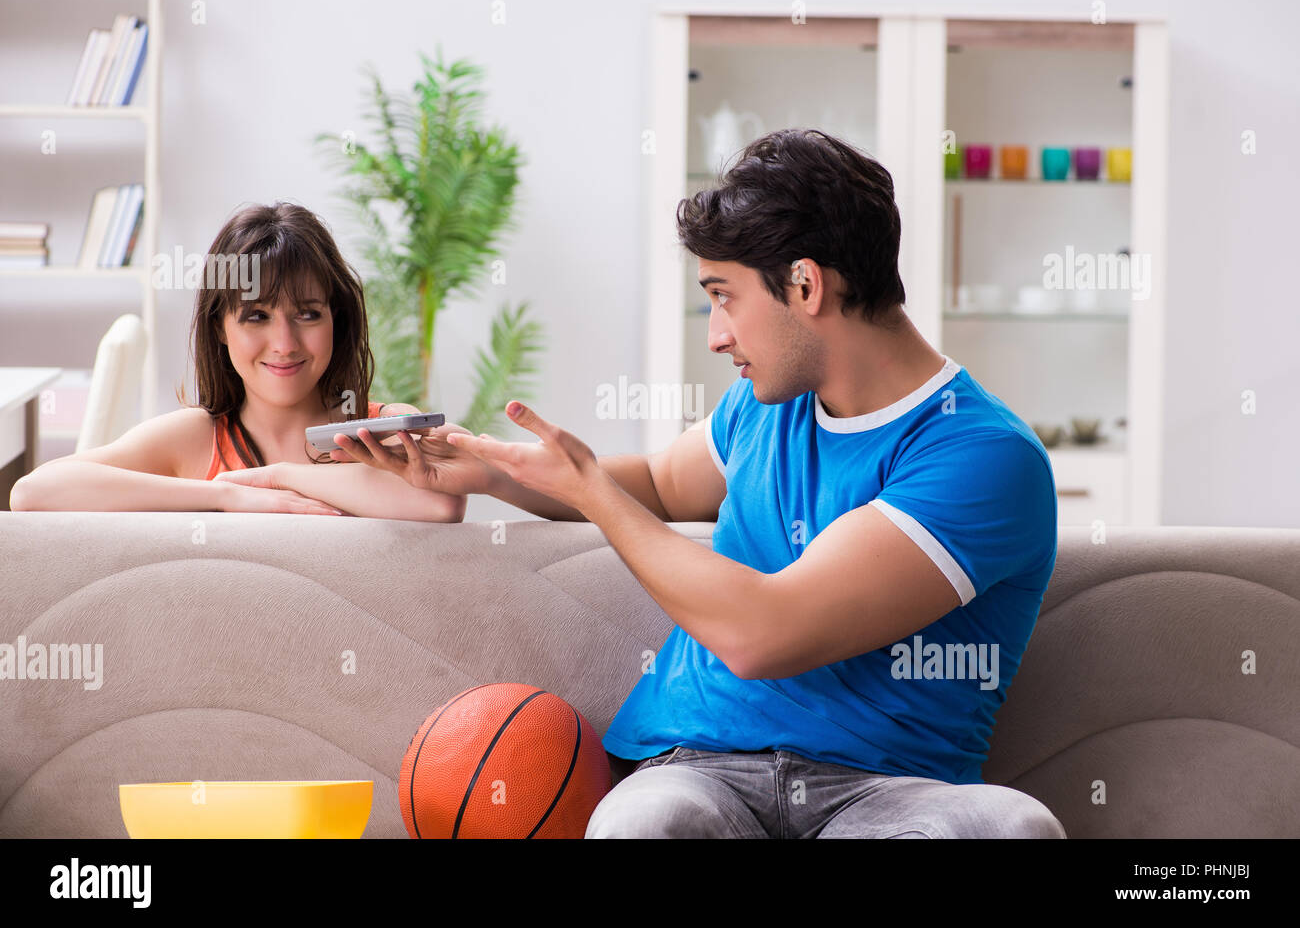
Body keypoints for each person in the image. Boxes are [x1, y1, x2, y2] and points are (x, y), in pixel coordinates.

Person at [330, 130, 1065, 838]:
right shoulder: (766, 403)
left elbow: (765, 631)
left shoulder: (982, 456)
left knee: (1010, 826)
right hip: (699, 771)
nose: (716, 334)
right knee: (641, 822)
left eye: (725, 296)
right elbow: (656, 482)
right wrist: (495, 471)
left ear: (806, 284)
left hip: (886, 794)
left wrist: (590, 490)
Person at [10, 201, 465, 524]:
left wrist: (279, 479)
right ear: (220, 329)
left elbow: (442, 505)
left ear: (336, 322)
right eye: (257, 316)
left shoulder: (381, 430)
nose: (284, 343)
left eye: (307, 314)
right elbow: (33, 493)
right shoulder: (196, 439)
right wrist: (225, 495)